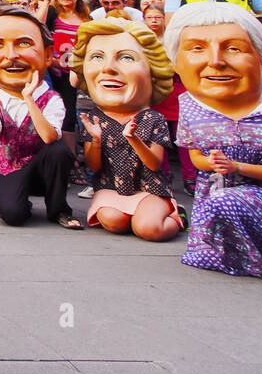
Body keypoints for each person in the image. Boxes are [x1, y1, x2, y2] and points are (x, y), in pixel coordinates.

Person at [164, 2, 262, 276]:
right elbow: (195, 155)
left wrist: (236, 167)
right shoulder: (189, 107)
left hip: (259, 194)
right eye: (197, 49)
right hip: (215, 195)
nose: (216, 61)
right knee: (222, 202)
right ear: (176, 64)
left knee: (228, 200)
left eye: (234, 48)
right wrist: (212, 163)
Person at [72, 18, 182, 241]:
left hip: (148, 187)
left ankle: (179, 218)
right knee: (113, 221)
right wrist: (94, 140)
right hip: (111, 187)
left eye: (125, 57)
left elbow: (154, 164)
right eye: (97, 57)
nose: (108, 67)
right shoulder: (94, 118)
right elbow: (94, 166)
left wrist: (133, 138)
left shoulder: (152, 117)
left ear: (152, 72)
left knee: (150, 230)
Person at [0, 4, 82, 228]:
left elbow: (48, 137)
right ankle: (17, 200)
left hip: (43, 165)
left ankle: (59, 209)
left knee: (59, 150)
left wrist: (29, 98)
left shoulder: (51, 98)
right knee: (12, 215)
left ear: (47, 55)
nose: (11, 55)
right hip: (11, 164)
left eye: (23, 43)